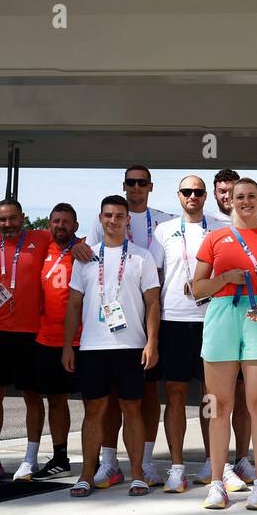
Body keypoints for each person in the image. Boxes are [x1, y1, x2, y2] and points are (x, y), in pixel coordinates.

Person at [191, 178, 257, 511]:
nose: (245, 201)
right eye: (239, 197)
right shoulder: (214, 237)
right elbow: (196, 288)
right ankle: (217, 483)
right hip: (221, 314)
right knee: (216, 405)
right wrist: (224, 279)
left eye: (251, 196)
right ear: (229, 201)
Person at [75, 166, 174, 485]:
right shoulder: (97, 229)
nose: (136, 187)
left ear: (150, 186)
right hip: (98, 338)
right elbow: (84, 258)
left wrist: (152, 340)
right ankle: (103, 465)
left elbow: (155, 291)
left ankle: (142, 465)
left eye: (141, 182)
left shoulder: (161, 224)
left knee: (143, 398)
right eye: (130, 182)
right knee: (99, 406)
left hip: (140, 331)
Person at [63, 196, 161, 497]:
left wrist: (152, 343)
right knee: (94, 410)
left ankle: (136, 475)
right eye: (108, 215)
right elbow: (74, 304)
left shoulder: (142, 257)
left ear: (127, 220)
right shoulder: (85, 257)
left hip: (131, 346)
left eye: (120, 215)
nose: (114, 220)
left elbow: (153, 302)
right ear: (100, 218)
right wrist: (69, 345)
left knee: (132, 408)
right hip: (93, 347)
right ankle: (86, 475)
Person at [153, 176, 230, 491]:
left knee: (211, 397)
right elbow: (155, 278)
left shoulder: (218, 229)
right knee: (175, 394)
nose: (193, 196)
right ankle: (176, 466)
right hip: (174, 320)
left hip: (212, 320)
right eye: (187, 191)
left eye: (199, 192)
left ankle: (213, 464)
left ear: (206, 196)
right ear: (179, 195)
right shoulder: (164, 231)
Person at [0, 198, 51, 481]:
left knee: (32, 395)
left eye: (12, 218)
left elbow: (69, 241)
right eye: (2, 220)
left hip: (31, 332)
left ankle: (30, 459)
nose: (7, 224)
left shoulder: (41, 238)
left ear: (22, 216)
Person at [29, 202, 84, 479]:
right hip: (48, 338)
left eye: (66, 222)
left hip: (82, 339)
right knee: (56, 400)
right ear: (49, 224)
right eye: (55, 221)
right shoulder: (42, 248)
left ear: (75, 226)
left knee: (96, 401)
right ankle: (61, 458)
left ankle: (98, 459)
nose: (60, 226)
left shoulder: (86, 248)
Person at [210, 167, 256, 480]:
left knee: (244, 395)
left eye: (233, 191)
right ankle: (216, 461)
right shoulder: (209, 228)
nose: (228, 197)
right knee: (212, 398)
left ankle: (241, 458)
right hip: (210, 321)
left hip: (247, 321)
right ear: (216, 194)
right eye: (223, 191)